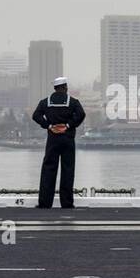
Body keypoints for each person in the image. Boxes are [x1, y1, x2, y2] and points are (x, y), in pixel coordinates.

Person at [31, 76, 85, 209]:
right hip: (68, 138)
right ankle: (67, 203)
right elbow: (81, 114)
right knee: (68, 169)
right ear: (65, 87)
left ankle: (45, 203)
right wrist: (68, 125)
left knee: (48, 169)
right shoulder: (73, 102)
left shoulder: (46, 102)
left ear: (55, 88)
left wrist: (49, 126)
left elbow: (36, 116)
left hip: (53, 138)